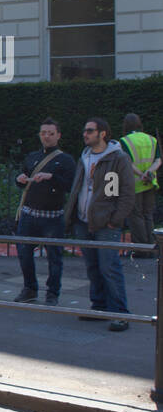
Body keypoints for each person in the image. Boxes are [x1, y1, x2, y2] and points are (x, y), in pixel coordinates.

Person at [64, 118, 134, 331]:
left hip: (106, 224)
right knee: (93, 267)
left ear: (102, 133)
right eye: (85, 130)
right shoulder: (84, 156)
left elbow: (127, 193)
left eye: (90, 131)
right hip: (84, 221)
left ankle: (120, 313)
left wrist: (116, 220)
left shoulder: (118, 158)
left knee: (109, 267)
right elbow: (78, 187)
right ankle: (100, 306)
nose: (85, 134)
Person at [13, 118, 75, 304]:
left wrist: (51, 177)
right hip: (29, 214)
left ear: (58, 136)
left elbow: (70, 185)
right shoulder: (32, 157)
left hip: (52, 217)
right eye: (43, 133)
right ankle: (30, 288)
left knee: (55, 257)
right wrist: (20, 179)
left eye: (50, 133)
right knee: (24, 253)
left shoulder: (66, 160)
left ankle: (52, 293)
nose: (46, 137)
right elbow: (21, 178)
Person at [119, 113, 160, 247]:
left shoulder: (124, 141)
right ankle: (153, 246)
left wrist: (140, 174)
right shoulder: (152, 139)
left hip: (134, 185)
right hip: (150, 182)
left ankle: (141, 248)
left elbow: (127, 163)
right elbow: (158, 160)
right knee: (148, 215)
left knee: (136, 217)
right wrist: (148, 172)